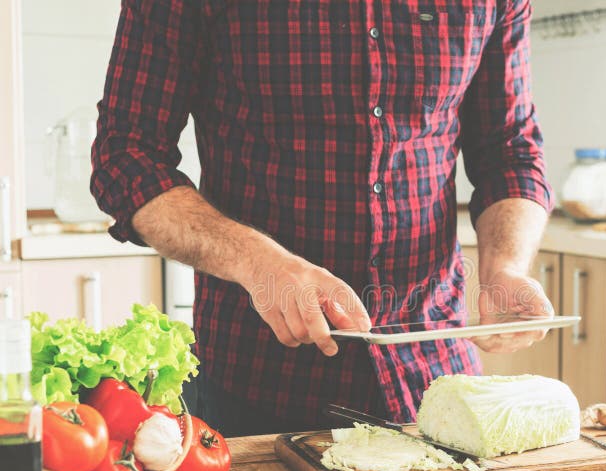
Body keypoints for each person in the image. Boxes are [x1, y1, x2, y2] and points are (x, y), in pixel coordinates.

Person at [91, 0, 554, 436]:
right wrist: (260, 262)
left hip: (436, 375)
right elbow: (127, 156)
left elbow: (509, 151)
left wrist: (506, 268)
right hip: (258, 380)